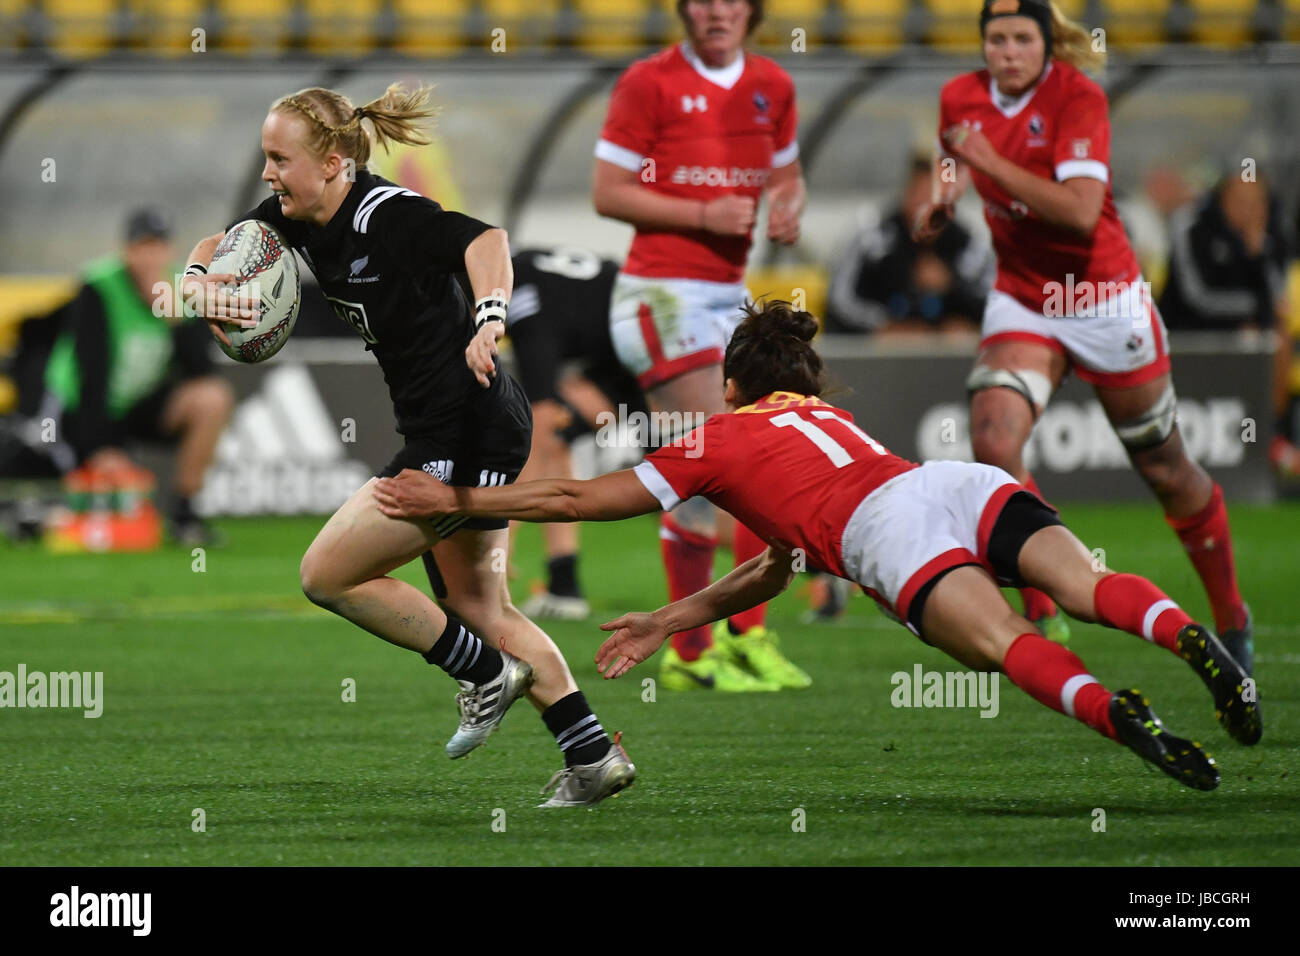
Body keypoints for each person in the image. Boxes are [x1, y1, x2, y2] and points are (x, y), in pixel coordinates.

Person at [373, 300, 1262, 793]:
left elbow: (575, 493)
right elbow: (774, 565)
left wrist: (450, 496)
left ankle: (1118, 715)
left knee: (1004, 647)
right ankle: (1191, 635)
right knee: (1084, 586)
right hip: (955, 483)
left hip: (890, 531)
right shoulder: (825, 415)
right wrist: (673, 618)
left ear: (729, 386)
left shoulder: (719, 439)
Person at [182, 84, 633, 808]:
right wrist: (198, 282)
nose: (268, 173)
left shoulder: (385, 215)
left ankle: (480, 673)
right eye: (265, 157)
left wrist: (489, 318)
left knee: (328, 573)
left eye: (278, 158)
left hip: (464, 427)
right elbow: (220, 242)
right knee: (485, 607)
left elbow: (486, 240)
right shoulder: (297, 216)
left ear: (332, 162)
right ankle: (590, 756)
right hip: (461, 423)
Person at [913, 0, 1256, 673]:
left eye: (1021, 39)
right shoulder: (960, 95)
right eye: (996, 38)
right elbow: (950, 153)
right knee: (993, 436)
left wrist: (985, 158)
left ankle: (1232, 618)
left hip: (1104, 302)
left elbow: (1076, 212)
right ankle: (1043, 598)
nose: (1007, 51)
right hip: (1023, 298)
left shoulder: (1078, 98)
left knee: (1165, 469)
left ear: (1047, 46)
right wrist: (945, 192)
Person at [592, 0, 811, 693]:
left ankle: (743, 641)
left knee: (763, 461)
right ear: (685, 10)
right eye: (702, 0)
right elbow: (607, 192)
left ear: (752, 10)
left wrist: (789, 202)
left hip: (727, 292)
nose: (717, 11)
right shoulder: (647, 83)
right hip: (661, 297)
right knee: (717, 467)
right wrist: (701, 213)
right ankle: (693, 655)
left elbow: (786, 174)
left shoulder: (773, 85)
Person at [36, 206, 234, 544]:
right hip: (76, 412)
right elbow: (91, 375)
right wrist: (100, 447)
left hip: (134, 405)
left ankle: (185, 513)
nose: (151, 256)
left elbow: (200, 370)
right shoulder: (100, 287)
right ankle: (38, 513)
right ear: (127, 251)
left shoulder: (179, 287)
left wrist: (175, 314)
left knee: (213, 398)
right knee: (89, 501)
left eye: (159, 246)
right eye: (143, 247)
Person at [505, 246, 648, 620]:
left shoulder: (523, 305)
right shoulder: (522, 272)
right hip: (635, 344)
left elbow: (540, 421)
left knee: (690, 489)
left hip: (657, 358)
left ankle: (809, 559)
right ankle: (564, 585)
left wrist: (497, 545)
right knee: (556, 433)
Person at [1158, 173, 1298, 476]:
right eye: (1242, 202)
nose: (1250, 210)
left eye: (1257, 203)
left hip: (1245, 334)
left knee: (1278, 337)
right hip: (1188, 331)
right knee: (1261, 333)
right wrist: (1253, 313)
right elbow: (1196, 297)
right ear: (1222, 201)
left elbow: (1278, 297)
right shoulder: (1193, 226)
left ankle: (1270, 436)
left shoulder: (1271, 235)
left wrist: (1258, 252)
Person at [825, 151, 990, 336]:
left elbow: (994, 305)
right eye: (917, 195)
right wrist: (883, 326)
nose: (924, 208)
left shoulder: (970, 246)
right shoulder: (871, 239)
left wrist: (951, 286)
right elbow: (839, 300)